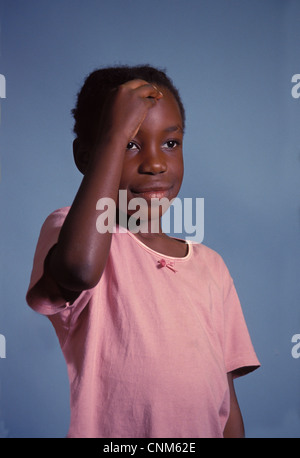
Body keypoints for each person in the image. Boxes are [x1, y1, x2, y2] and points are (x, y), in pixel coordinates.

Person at [26, 64, 260, 438]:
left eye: (171, 143)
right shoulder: (72, 231)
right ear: (87, 156)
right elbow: (79, 269)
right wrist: (114, 132)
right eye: (130, 145)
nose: (154, 163)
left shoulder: (211, 267)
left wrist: (119, 136)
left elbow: (226, 403)